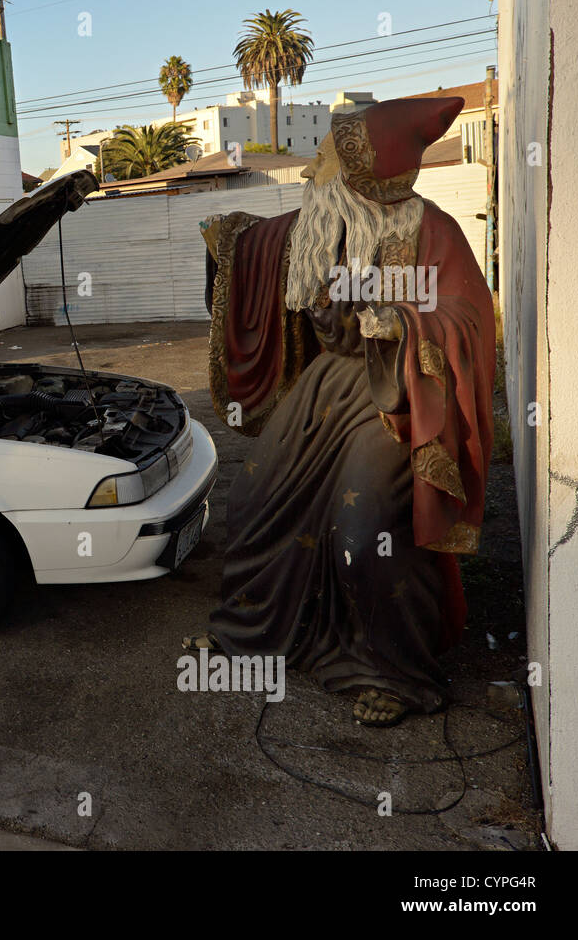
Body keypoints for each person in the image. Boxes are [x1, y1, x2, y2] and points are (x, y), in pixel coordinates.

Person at [189, 97, 496, 727]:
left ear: (365, 168)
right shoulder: (323, 224)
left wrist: (400, 323)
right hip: (326, 391)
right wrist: (228, 243)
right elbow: (259, 245)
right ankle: (253, 637)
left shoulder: (432, 228)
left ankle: (394, 673)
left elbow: (469, 322)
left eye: (325, 158)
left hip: (395, 398)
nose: (310, 173)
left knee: (364, 532)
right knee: (252, 500)